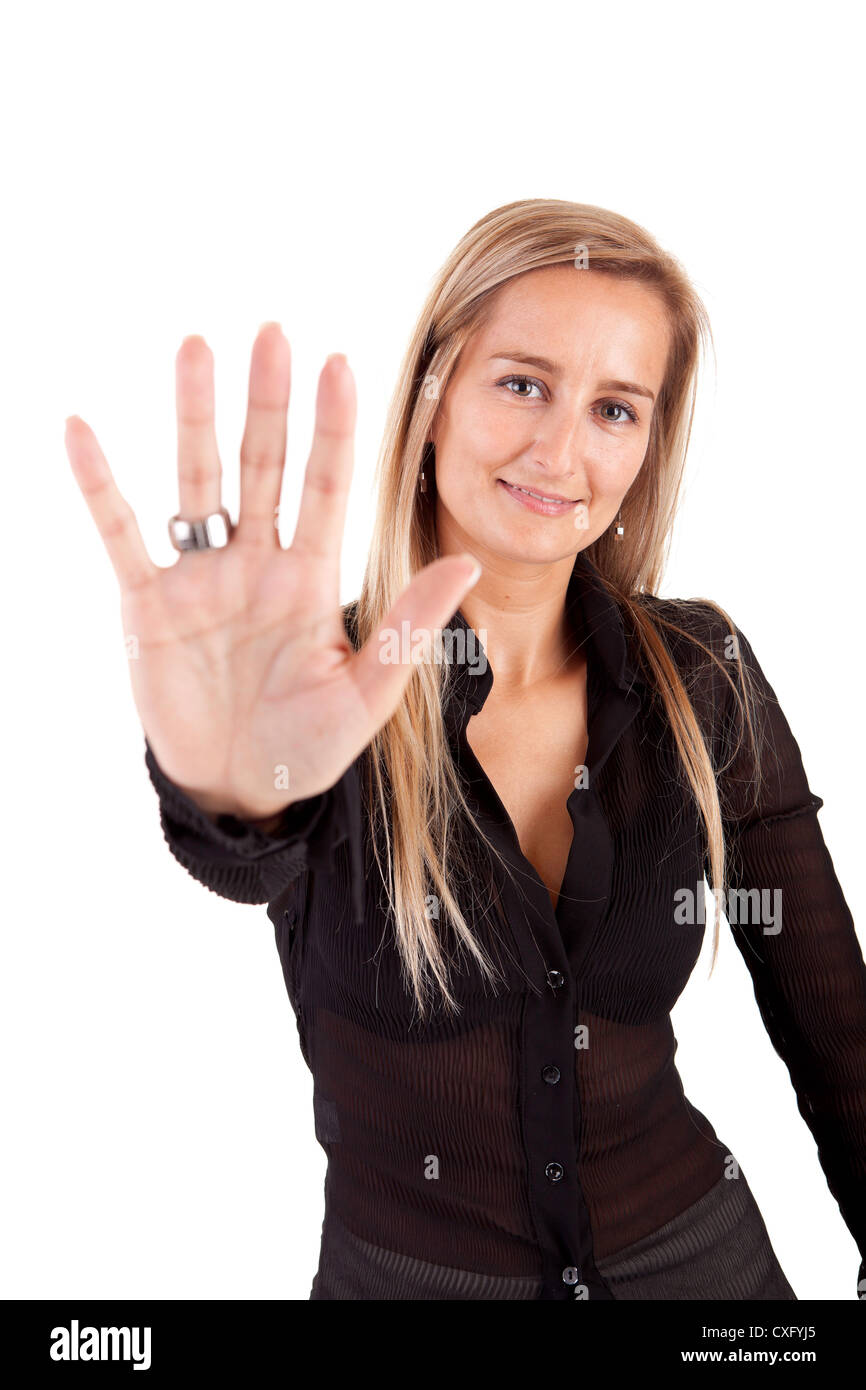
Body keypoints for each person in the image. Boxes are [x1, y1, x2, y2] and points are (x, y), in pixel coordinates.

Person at [65, 198, 866, 1300]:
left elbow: (839, 1037)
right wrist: (236, 786)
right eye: (522, 382)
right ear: (433, 394)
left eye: (614, 409)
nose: (559, 449)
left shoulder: (703, 676)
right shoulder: (316, 692)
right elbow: (242, 853)